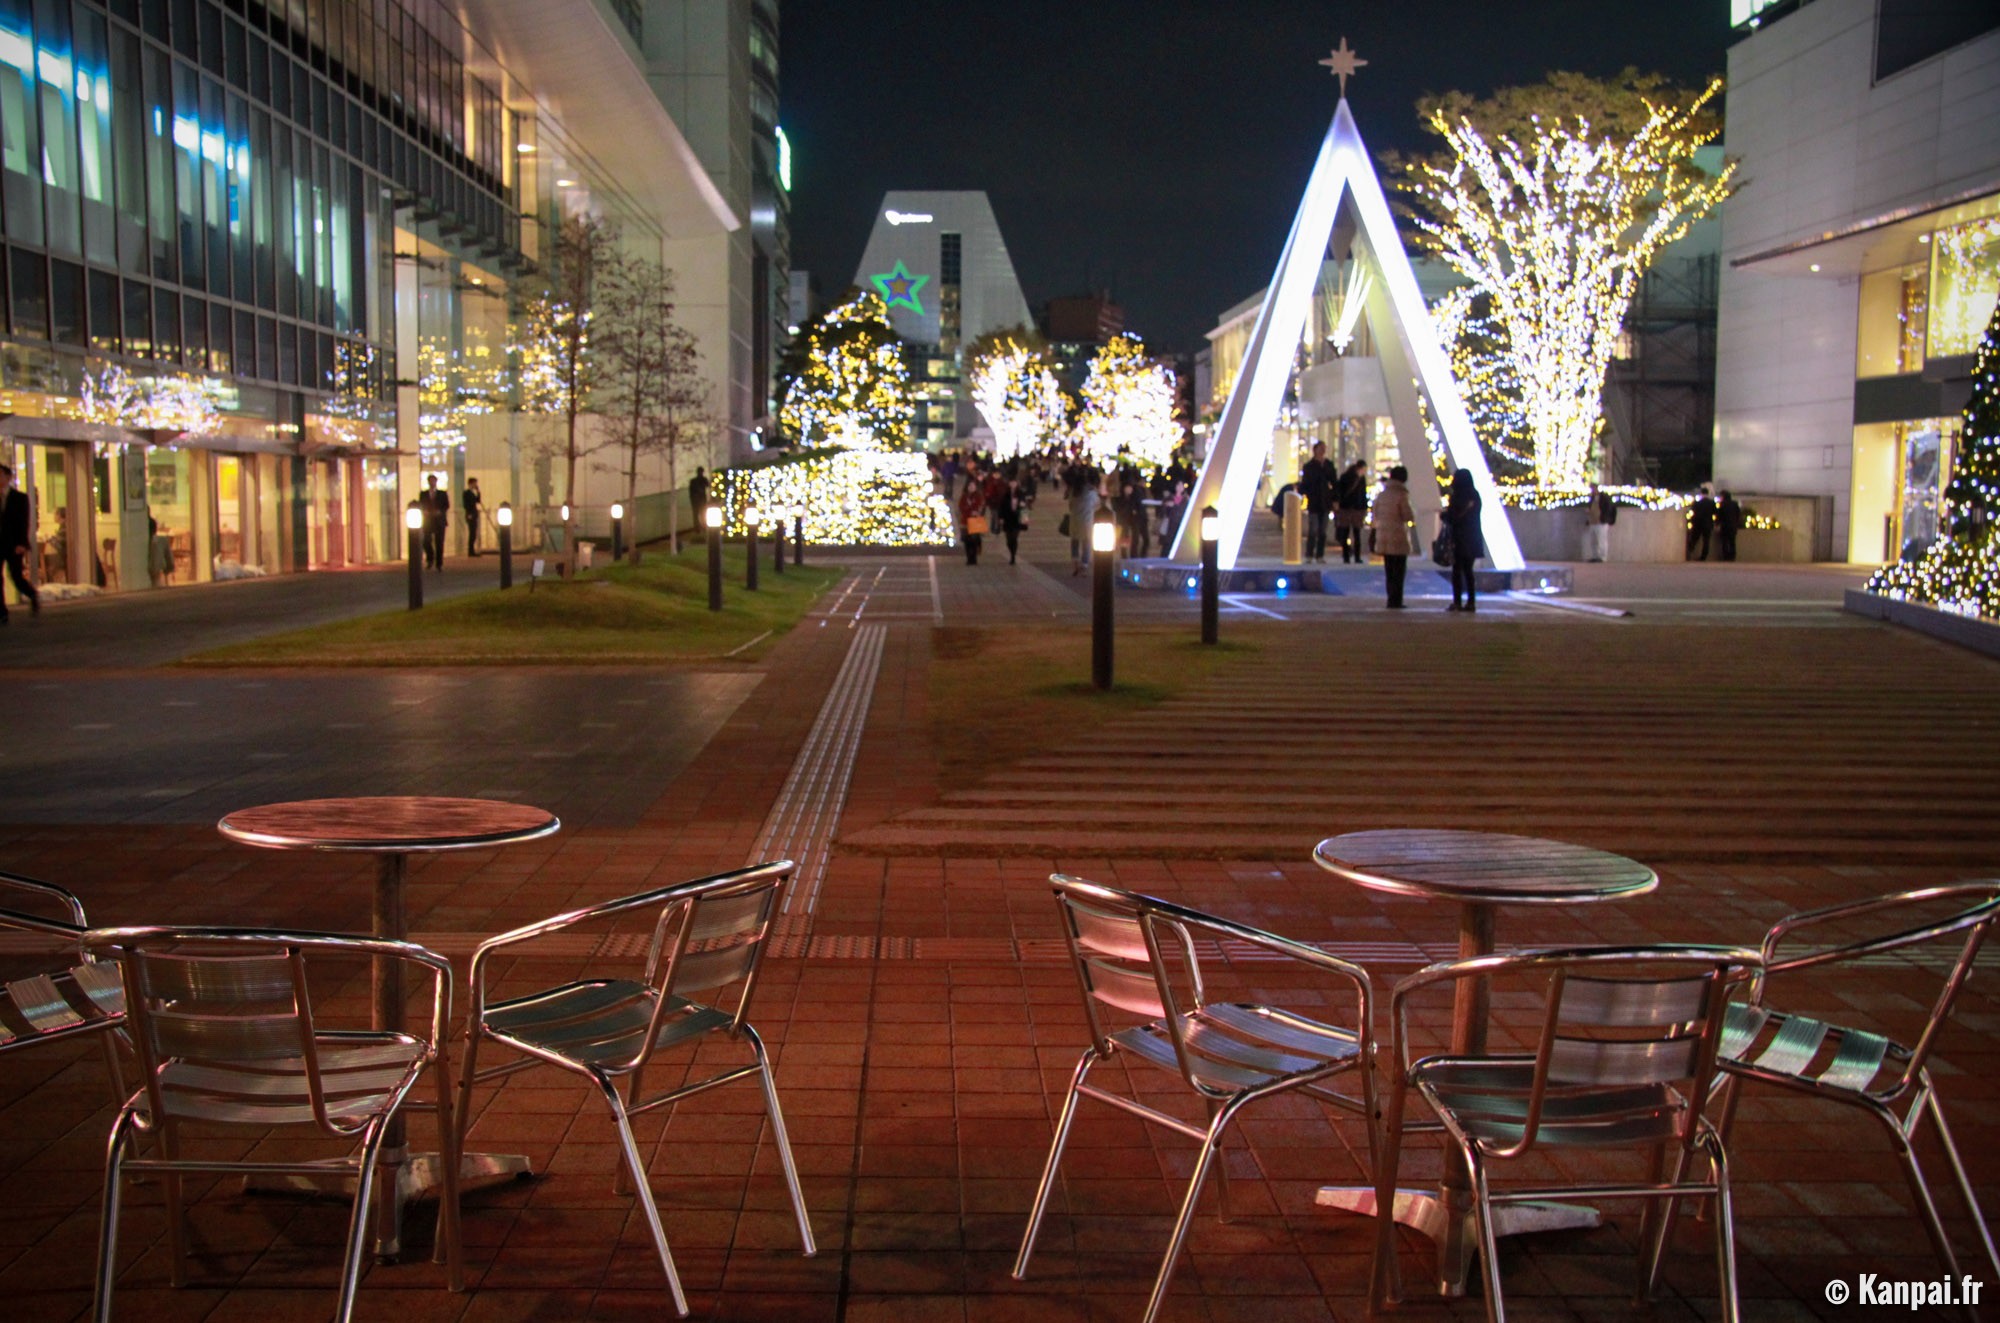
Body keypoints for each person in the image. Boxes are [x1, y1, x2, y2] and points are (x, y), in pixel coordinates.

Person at [1370, 465, 1416, 609]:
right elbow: (1407, 515)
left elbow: (1375, 514)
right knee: (1399, 570)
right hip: (1398, 536)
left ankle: (1390, 598)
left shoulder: (1381, 495)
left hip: (1383, 535)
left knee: (1389, 570)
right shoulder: (1402, 495)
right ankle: (1397, 599)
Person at [1442, 469, 1485, 612]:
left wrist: (1444, 515)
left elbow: (1452, 517)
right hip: (1472, 537)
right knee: (1468, 571)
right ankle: (1471, 602)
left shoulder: (1456, 497)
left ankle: (1457, 602)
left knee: (1457, 571)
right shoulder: (1475, 496)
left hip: (1458, 538)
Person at [0, 464, 38, 621]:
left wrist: (21, 543)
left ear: (8, 478)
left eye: (1, 475)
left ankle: (31, 594)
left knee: (15, 576)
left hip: (14, 544)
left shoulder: (19, 498)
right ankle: (2, 611)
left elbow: (24, 522)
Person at [1298, 441, 1336, 563]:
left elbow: (1334, 482)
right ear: (1315, 450)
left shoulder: (1328, 465)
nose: (1323, 451)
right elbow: (1305, 484)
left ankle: (1320, 555)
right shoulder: (1309, 466)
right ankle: (1309, 554)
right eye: (1321, 448)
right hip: (1314, 502)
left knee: (1322, 531)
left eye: (1324, 448)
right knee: (1313, 530)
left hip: (1325, 502)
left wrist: (1334, 499)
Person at [1336, 460, 1370, 563]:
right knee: (1356, 534)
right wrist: (1364, 508)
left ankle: (1346, 556)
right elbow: (1362, 495)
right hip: (1356, 509)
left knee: (1346, 533)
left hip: (1346, 508)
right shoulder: (1359, 479)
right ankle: (1356, 557)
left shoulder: (1345, 477)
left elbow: (1340, 492)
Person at [958, 461, 988, 565]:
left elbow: (981, 506)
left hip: (975, 520)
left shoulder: (978, 496)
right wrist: (967, 509)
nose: (971, 487)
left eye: (972, 486)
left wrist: (978, 512)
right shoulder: (965, 496)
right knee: (967, 540)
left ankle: (974, 557)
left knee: (974, 539)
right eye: (969, 486)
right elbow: (961, 506)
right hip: (965, 520)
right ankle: (968, 557)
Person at [992, 475, 1025, 565]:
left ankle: (1013, 556)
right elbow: (1001, 507)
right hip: (1007, 518)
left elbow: (1024, 507)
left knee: (1014, 537)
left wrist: (1023, 507)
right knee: (1008, 539)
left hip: (1017, 519)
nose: (1013, 484)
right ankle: (1011, 552)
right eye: (1012, 483)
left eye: (1015, 483)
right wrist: (1001, 518)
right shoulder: (1005, 494)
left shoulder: (1020, 493)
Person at [421, 474, 450, 570]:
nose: (432, 483)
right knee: (426, 541)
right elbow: (421, 504)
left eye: (433, 481)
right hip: (428, 520)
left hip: (439, 521)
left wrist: (440, 511)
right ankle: (430, 558)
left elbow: (446, 505)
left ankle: (439, 563)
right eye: (430, 481)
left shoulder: (442, 493)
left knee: (439, 542)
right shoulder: (423, 494)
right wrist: (424, 511)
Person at [1584, 482, 1615, 563]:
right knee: (1593, 540)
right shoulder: (1592, 498)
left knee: (1601, 540)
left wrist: (1605, 518)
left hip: (1601, 522)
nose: (1592, 490)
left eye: (1593, 489)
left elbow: (1609, 508)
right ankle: (1595, 556)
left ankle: (1602, 557)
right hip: (1593, 522)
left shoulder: (1604, 498)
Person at [1688, 486, 1716, 561]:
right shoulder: (1711, 503)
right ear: (1708, 493)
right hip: (1707, 524)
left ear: (1701, 494)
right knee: (1706, 541)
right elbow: (1715, 512)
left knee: (1694, 539)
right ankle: (1703, 557)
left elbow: (1693, 511)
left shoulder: (1697, 503)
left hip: (1697, 524)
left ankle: (1689, 553)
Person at [1718, 490, 1743, 562]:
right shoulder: (1735, 504)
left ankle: (1725, 557)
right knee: (1732, 542)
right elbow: (1738, 514)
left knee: (1724, 542)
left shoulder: (1722, 504)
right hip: (1733, 526)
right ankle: (1732, 556)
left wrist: (1718, 523)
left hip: (1725, 526)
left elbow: (1720, 515)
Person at [462, 476, 484, 556]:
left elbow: (478, 501)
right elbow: (466, 504)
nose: (476, 485)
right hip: (470, 514)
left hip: (474, 514)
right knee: (472, 533)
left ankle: (472, 550)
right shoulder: (466, 493)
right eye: (475, 483)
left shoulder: (473, 493)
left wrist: (478, 492)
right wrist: (469, 513)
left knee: (474, 533)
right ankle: (470, 551)